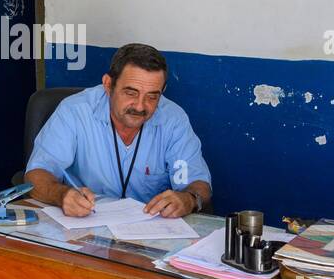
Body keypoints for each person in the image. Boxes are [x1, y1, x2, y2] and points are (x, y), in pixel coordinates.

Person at [25, 44, 212, 219]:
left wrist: (188, 199)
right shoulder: (74, 112)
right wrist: (61, 195)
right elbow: (36, 175)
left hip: (149, 230)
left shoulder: (173, 120)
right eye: (131, 93)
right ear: (108, 85)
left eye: (152, 96)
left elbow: (198, 184)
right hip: (85, 223)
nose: (140, 106)